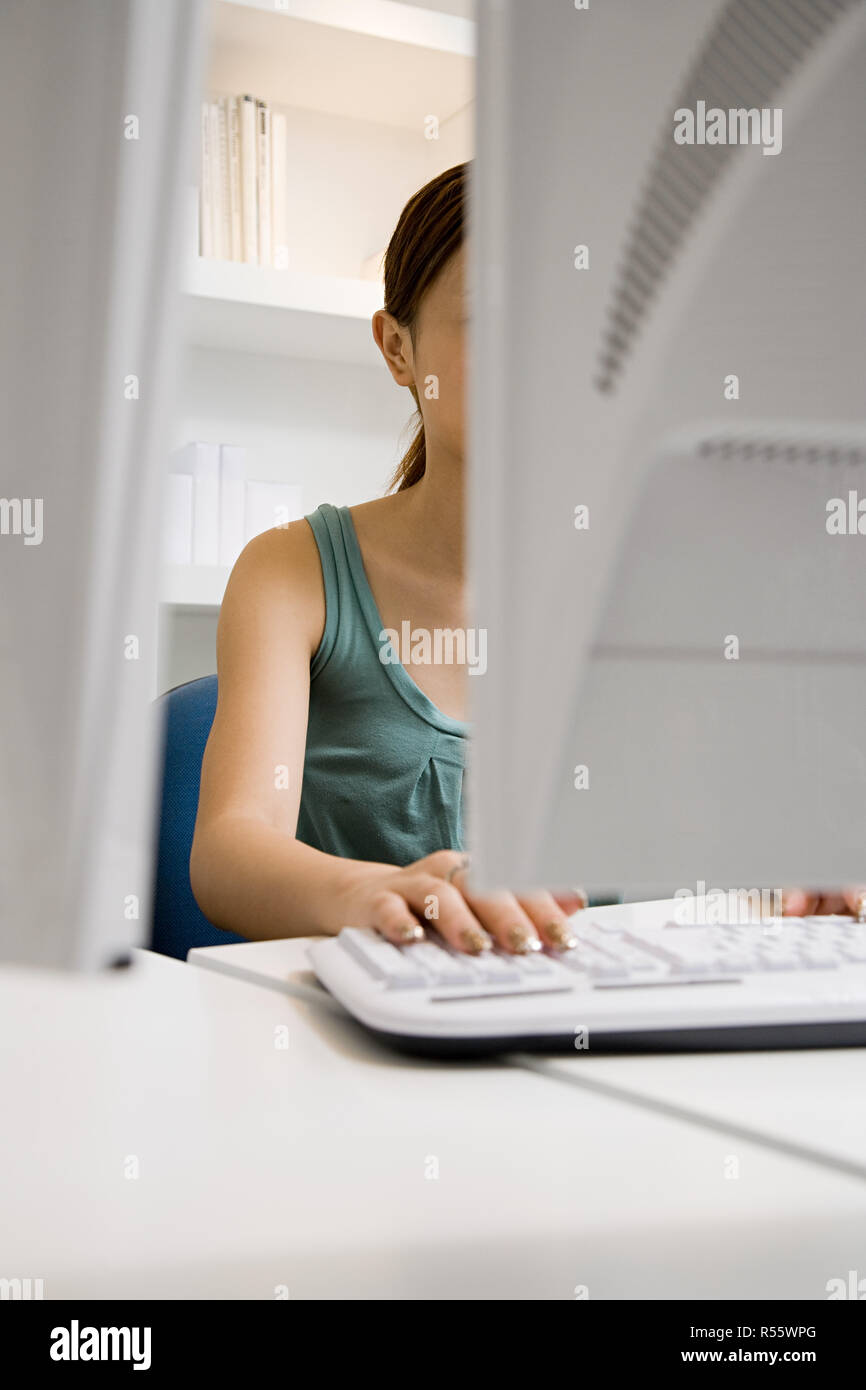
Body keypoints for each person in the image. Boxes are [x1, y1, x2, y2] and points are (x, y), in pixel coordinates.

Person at [190, 162, 584, 955]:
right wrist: (373, 892)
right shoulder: (289, 573)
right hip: (358, 1055)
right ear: (399, 349)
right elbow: (230, 851)